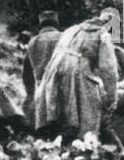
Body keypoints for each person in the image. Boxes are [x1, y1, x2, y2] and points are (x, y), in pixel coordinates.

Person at [32, 10, 119, 144]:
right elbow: (108, 69)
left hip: (55, 67)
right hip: (77, 68)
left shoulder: (70, 30)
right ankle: (84, 142)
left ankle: (59, 139)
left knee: (59, 107)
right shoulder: (103, 34)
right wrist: (112, 98)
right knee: (89, 106)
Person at [22, 10, 61, 125]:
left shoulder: (33, 41)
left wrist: (30, 94)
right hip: (61, 88)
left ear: (41, 24)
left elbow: (26, 72)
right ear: (56, 23)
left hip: (40, 89)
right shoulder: (64, 37)